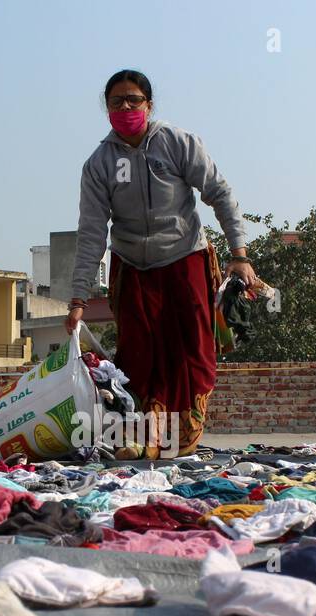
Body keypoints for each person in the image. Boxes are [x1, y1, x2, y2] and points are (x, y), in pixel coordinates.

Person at [66, 68, 256, 458]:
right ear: (107, 110)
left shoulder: (176, 143)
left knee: (192, 353)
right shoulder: (99, 164)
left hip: (184, 257)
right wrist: (78, 299)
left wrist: (239, 255)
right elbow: (90, 233)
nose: (126, 107)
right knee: (140, 355)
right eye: (117, 101)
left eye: (134, 100)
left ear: (149, 105)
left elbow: (219, 193)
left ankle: (183, 439)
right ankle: (145, 439)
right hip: (133, 266)